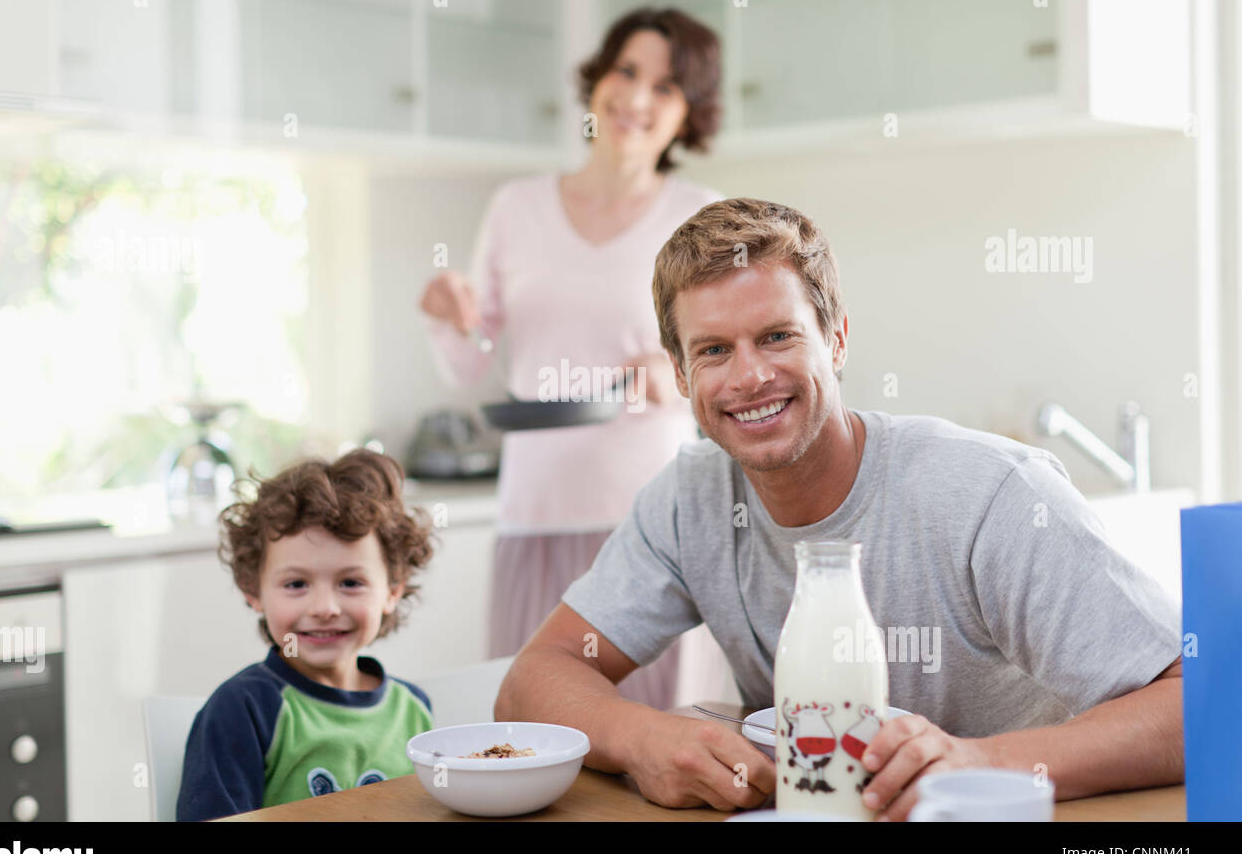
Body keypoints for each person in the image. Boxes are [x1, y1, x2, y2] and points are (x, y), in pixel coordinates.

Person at [494, 197, 1184, 820]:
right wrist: (642, 737)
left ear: (838, 339)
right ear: (680, 374)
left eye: (777, 336)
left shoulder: (987, 495)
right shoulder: (689, 501)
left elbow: (1202, 703)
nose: (750, 378)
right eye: (712, 351)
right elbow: (532, 681)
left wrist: (982, 760)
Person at [419, 7, 728, 711]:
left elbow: (723, 356)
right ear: (597, 81)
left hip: (651, 522)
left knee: (655, 746)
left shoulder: (701, 214)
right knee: (530, 730)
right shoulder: (515, 207)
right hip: (535, 513)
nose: (637, 97)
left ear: (690, 115)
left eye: (667, 86)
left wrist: (675, 375)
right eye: (626, 71)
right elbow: (473, 365)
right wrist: (449, 318)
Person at [176, 449, 435, 821]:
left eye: (350, 582)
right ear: (253, 590)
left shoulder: (415, 709)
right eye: (297, 584)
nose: (325, 607)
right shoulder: (243, 708)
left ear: (393, 589)